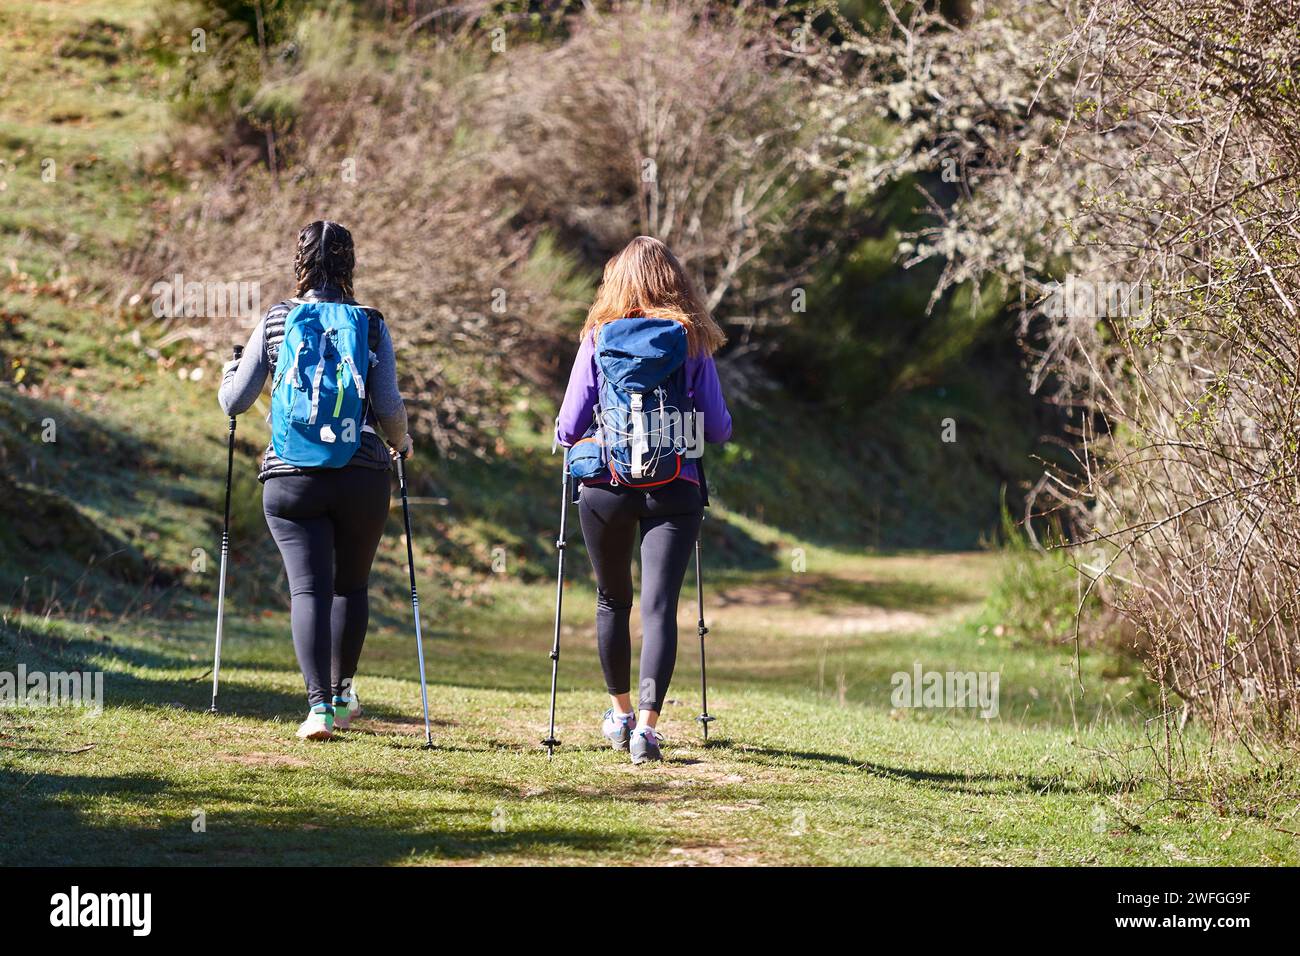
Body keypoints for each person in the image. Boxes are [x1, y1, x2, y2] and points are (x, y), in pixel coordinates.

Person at [217, 220, 412, 740]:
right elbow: (389, 405)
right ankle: (344, 692)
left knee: (308, 590)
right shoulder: (369, 323)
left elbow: (236, 400)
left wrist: (227, 371)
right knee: (350, 585)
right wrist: (403, 441)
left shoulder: (278, 319)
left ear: (298, 262)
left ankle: (318, 709)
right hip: (361, 472)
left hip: (291, 475)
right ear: (350, 264)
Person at [556, 236, 733, 764]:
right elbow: (719, 427)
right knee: (660, 607)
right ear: (674, 281)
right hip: (675, 487)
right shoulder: (691, 339)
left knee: (613, 598)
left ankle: (620, 713)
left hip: (606, 487)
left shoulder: (596, 337)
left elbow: (568, 426)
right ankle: (648, 731)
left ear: (615, 281)